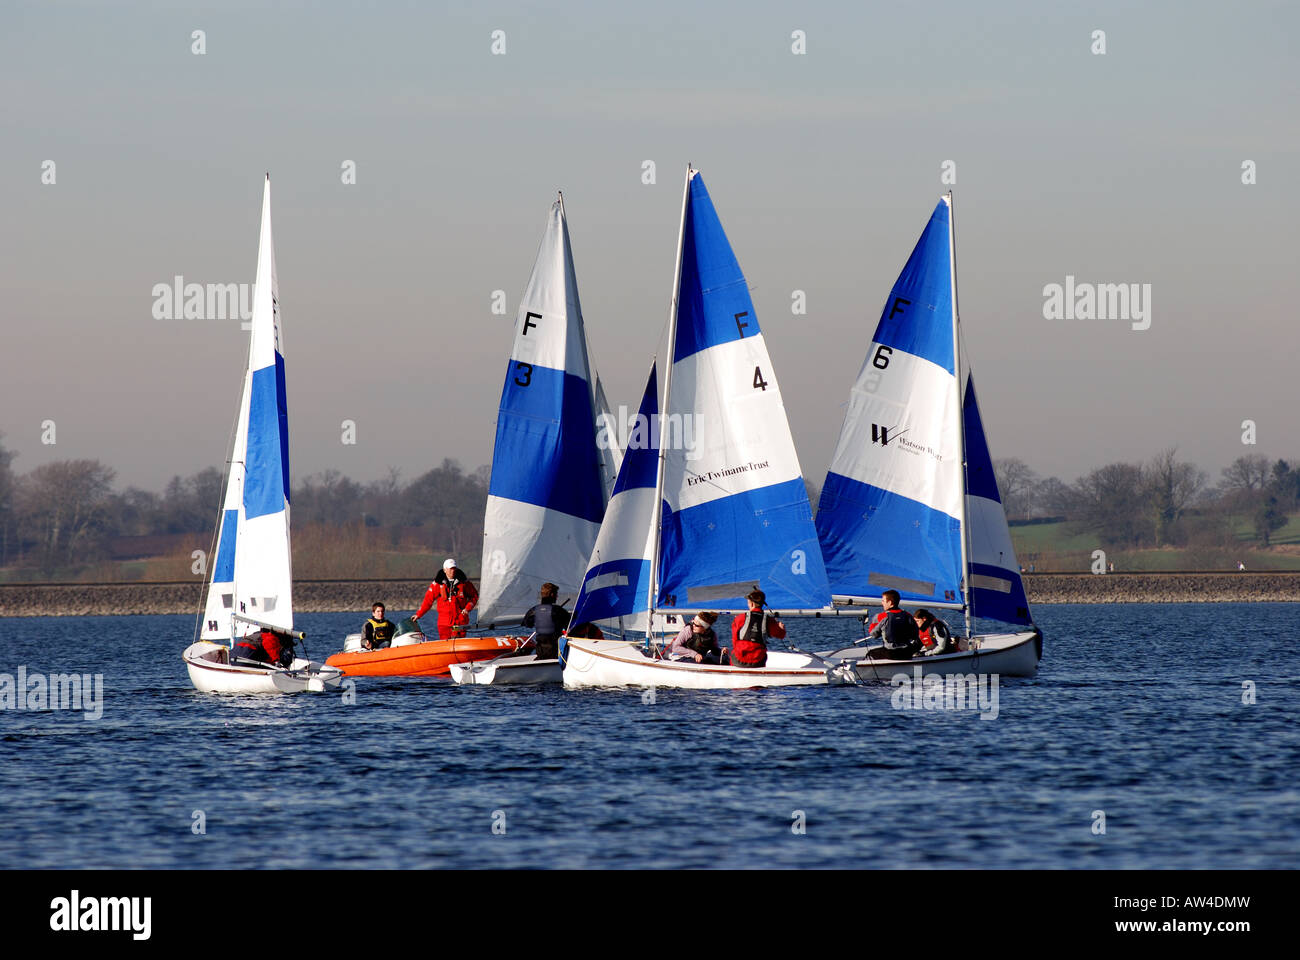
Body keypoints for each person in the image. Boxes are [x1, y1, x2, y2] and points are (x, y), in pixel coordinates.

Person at [414, 558, 479, 641]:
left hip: (460, 621)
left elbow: (474, 596)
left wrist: (467, 609)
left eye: (454, 568)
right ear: (445, 570)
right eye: (450, 569)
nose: (453, 571)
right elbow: (428, 601)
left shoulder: (464, 583)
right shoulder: (437, 584)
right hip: (444, 623)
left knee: (457, 642)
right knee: (445, 642)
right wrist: (418, 614)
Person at [731, 590, 785, 668]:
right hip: (758, 662)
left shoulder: (740, 618)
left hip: (738, 660)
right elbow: (781, 635)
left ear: (752, 604)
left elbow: (734, 640)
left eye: (748, 602)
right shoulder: (769, 620)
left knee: (733, 652)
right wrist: (781, 628)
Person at [864, 589, 920, 660]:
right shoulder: (908, 615)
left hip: (891, 653)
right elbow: (915, 635)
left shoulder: (881, 616)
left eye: (883, 601)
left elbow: (873, 634)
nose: (882, 603)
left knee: (870, 654)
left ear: (890, 603)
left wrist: (874, 624)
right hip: (906, 653)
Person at [522, 582, 570, 659]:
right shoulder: (559, 611)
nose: (557, 596)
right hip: (555, 651)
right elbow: (569, 625)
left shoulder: (533, 610)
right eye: (556, 594)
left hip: (540, 651)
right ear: (552, 595)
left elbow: (527, 624)